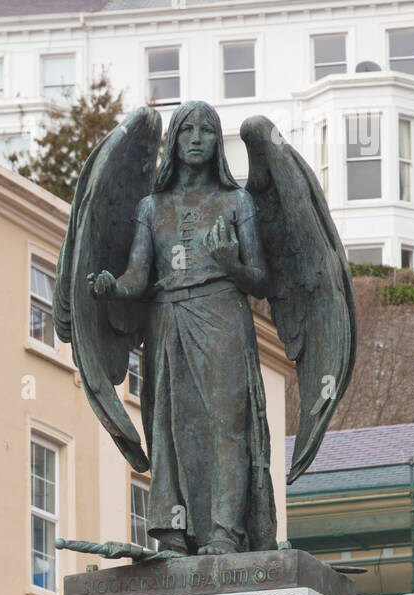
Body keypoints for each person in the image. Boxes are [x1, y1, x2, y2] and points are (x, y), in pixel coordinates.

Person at [88, 101, 276, 556]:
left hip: (222, 313)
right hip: (167, 316)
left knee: (226, 424)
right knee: (169, 423)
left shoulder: (238, 202)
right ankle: (173, 531)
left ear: (217, 142)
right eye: (186, 130)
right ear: (173, 141)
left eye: (206, 131)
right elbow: (138, 275)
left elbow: (261, 278)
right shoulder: (152, 208)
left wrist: (232, 263)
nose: (196, 138)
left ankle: (225, 532)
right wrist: (112, 286)